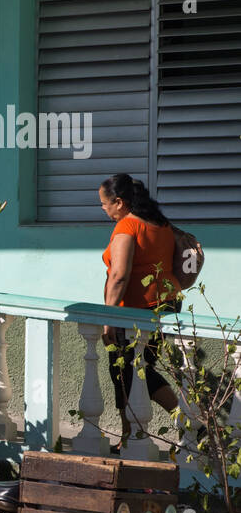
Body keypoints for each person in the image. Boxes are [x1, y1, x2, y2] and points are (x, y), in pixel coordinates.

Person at [98, 173, 181, 451]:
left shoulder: (127, 226)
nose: (103, 208)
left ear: (119, 202)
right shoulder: (161, 224)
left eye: (104, 203)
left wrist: (108, 322)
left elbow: (119, 276)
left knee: (126, 371)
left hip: (134, 313)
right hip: (163, 306)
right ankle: (129, 436)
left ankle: (190, 424)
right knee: (138, 370)